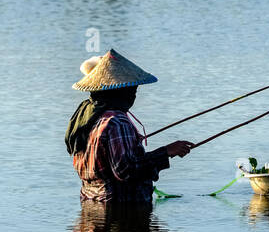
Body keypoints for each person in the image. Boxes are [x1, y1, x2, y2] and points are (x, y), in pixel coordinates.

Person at [64, 49, 194, 202]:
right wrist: (166, 152)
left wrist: (131, 144)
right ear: (119, 91)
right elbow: (126, 170)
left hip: (92, 202)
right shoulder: (116, 122)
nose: (134, 94)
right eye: (131, 89)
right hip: (120, 207)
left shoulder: (87, 115)